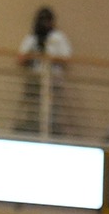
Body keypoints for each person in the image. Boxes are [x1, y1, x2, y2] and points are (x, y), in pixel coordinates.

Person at [15, 7, 73, 136]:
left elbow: (66, 58)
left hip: (53, 82)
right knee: (33, 112)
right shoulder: (32, 38)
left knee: (52, 113)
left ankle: (50, 134)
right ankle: (34, 132)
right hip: (35, 81)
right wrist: (33, 55)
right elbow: (20, 58)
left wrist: (49, 58)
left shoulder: (58, 37)